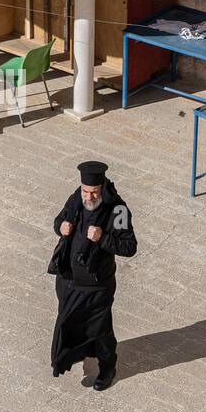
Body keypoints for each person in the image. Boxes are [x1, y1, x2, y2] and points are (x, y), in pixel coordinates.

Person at [47, 161, 137, 391]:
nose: (88, 196)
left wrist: (103, 237)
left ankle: (108, 367)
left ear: (102, 187)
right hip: (68, 280)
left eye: (93, 192)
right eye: (85, 191)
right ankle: (74, 355)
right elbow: (59, 220)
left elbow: (129, 247)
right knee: (69, 322)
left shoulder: (117, 209)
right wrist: (61, 227)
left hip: (97, 286)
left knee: (100, 328)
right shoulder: (76, 198)